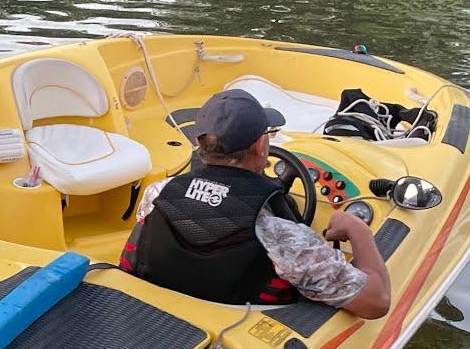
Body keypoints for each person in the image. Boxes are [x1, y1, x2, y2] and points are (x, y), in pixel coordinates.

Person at [119, 89, 391, 319]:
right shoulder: (282, 235)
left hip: (159, 319)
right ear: (261, 145)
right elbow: (377, 301)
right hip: (238, 329)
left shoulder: (158, 193)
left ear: (199, 142)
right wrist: (357, 230)